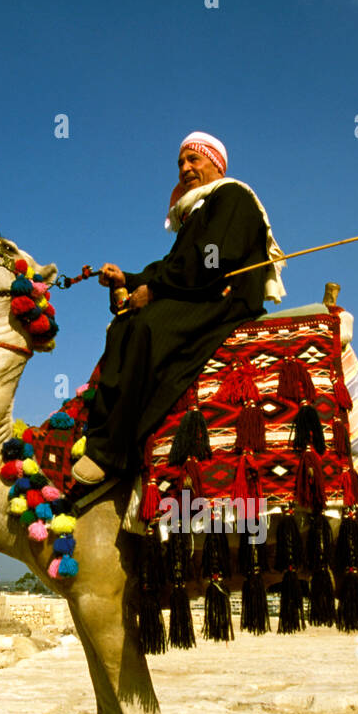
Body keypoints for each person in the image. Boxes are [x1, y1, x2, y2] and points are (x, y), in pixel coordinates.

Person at [72, 131, 285, 485]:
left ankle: (111, 452)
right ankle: (109, 433)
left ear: (215, 164)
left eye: (193, 160)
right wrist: (128, 278)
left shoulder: (232, 196)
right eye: (180, 163)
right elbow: (178, 263)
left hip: (225, 298)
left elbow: (214, 258)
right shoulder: (199, 211)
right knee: (126, 324)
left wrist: (154, 290)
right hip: (202, 290)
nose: (185, 168)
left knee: (146, 329)